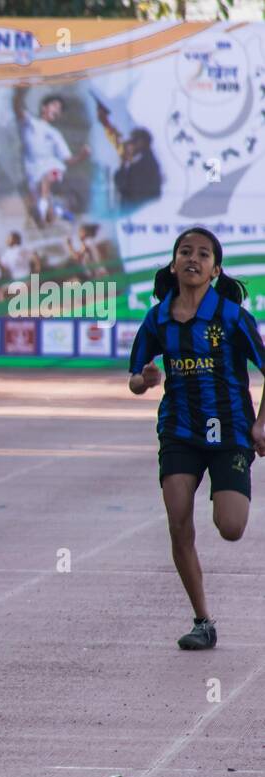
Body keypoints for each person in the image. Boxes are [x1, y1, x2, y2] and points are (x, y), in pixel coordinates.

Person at [127, 226, 265, 651]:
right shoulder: (158, 318)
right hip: (179, 432)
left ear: (215, 269)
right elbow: (136, 379)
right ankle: (203, 620)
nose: (193, 258)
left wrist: (260, 424)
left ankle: (226, 493)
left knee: (231, 527)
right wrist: (144, 379)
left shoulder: (232, 318)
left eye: (203, 254)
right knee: (178, 522)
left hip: (230, 433)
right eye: (185, 251)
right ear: (173, 263)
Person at [14, 88, 90, 225]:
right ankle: (56, 212)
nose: (57, 111)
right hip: (32, 172)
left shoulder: (55, 134)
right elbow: (17, 107)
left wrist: (82, 156)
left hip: (53, 168)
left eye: (60, 109)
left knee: (48, 176)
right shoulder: (30, 123)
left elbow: (68, 159)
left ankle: (47, 211)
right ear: (44, 107)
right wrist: (20, 91)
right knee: (44, 210)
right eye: (55, 106)